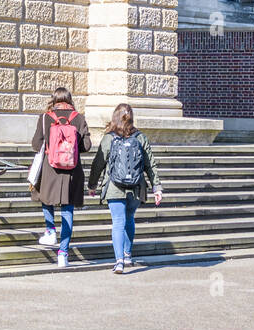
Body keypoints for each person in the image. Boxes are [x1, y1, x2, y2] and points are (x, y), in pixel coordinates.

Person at [88, 103, 162, 274]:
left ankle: (119, 261)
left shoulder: (109, 138)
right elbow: (150, 164)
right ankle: (128, 254)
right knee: (129, 218)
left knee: (118, 222)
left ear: (115, 117)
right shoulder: (140, 137)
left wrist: (92, 185)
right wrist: (156, 187)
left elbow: (98, 163)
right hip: (136, 187)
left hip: (114, 186)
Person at [30, 86, 91, 268]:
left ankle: (50, 230)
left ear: (54, 99)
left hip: (50, 169)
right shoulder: (78, 118)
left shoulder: (45, 117)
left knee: (45, 198)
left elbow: (35, 145)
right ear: (70, 99)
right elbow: (87, 146)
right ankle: (63, 254)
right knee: (68, 210)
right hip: (72, 171)